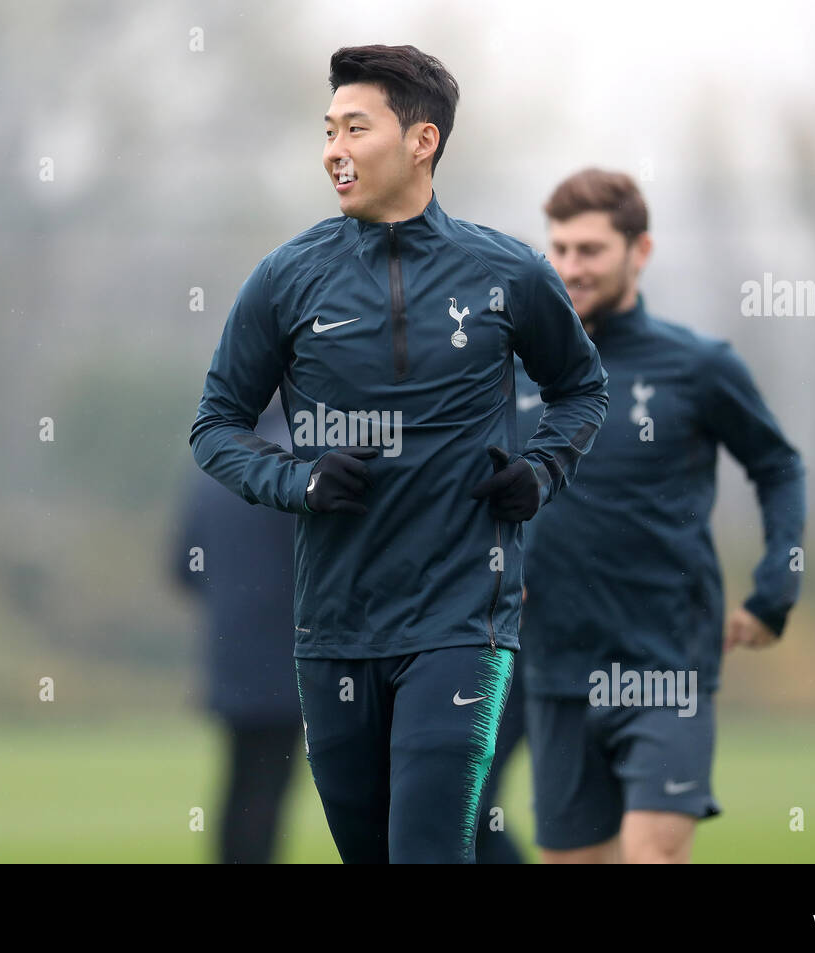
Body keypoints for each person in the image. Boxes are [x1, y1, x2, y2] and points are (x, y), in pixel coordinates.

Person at [188, 44, 607, 863]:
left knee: (428, 848)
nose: (333, 150)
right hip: (334, 630)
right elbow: (215, 426)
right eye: (328, 130)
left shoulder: (508, 271)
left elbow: (581, 390)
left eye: (355, 127)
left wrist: (542, 469)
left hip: (462, 621)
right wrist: (297, 479)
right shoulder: (286, 277)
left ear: (422, 141)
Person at [514, 168, 806, 863]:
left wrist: (775, 591)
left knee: (653, 855)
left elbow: (779, 466)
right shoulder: (518, 368)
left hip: (666, 660)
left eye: (591, 250)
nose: (571, 267)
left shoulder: (698, 365)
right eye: (559, 249)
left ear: (639, 252)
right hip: (553, 666)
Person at [174, 401, 303, 864]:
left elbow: (182, 567)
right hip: (291, 655)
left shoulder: (211, 466)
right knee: (268, 791)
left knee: (242, 785)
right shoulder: (302, 460)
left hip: (231, 653)